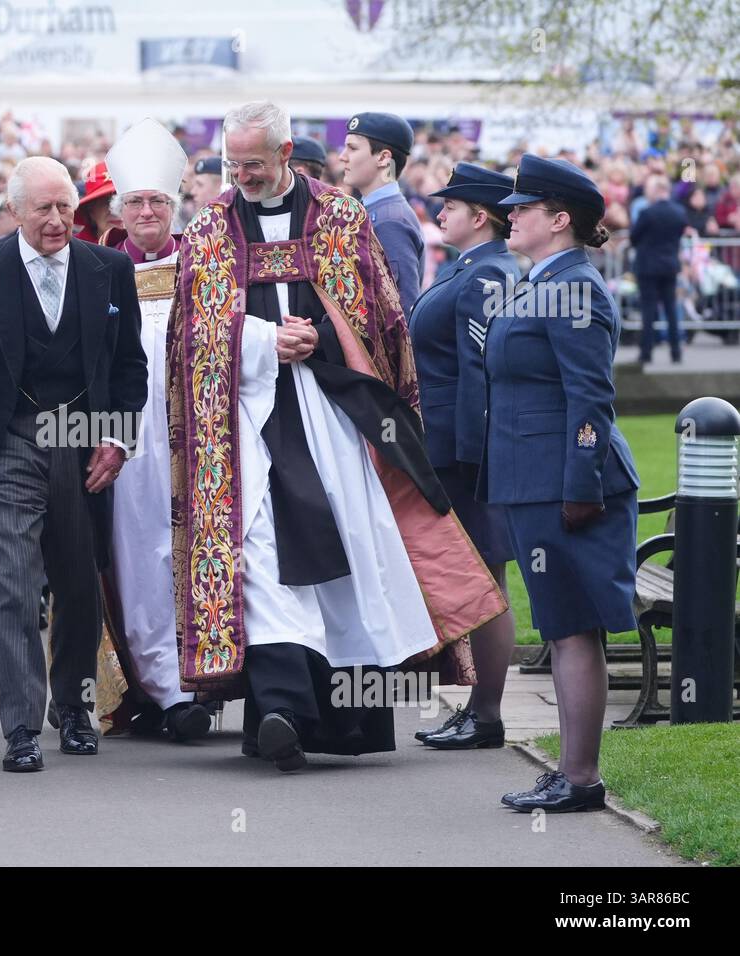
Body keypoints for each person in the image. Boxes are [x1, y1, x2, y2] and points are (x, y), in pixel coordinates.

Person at [169, 101, 504, 772]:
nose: (242, 176)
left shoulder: (340, 218)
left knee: (347, 558)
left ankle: (342, 725)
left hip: (333, 416)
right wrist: (263, 341)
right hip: (243, 428)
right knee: (259, 560)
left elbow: (384, 320)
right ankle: (281, 711)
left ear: (287, 151)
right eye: (233, 165)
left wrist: (323, 337)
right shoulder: (208, 229)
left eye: (254, 164)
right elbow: (190, 336)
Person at [0, 156, 148, 773]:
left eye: (66, 207)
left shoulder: (108, 269)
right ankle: (21, 729)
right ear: (14, 211)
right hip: (9, 442)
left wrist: (118, 440)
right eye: (44, 209)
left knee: (81, 585)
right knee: (17, 587)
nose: (58, 220)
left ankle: (76, 711)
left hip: (85, 438)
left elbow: (130, 367)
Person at [488, 155, 640, 812]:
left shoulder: (572, 288)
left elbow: (591, 397)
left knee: (572, 627)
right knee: (562, 626)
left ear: (559, 220)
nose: (509, 215)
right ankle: (572, 772)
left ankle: (580, 778)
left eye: (522, 208)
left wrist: (581, 485)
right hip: (537, 480)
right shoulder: (546, 282)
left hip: (563, 484)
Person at [97, 117, 210, 741]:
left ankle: (200, 681)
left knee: (196, 554)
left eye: (157, 201)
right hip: (128, 441)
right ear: (120, 208)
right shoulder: (100, 270)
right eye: (136, 201)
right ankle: (157, 686)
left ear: (174, 206)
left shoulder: (203, 265)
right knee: (137, 557)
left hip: (198, 433)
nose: (147, 211)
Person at [407, 163, 521, 750]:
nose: (439, 212)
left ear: (480, 216)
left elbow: (481, 374)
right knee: (477, 577)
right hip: (453, 448)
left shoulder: (487, 274)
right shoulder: (470, 268)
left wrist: (474, 462)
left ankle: (487, 714)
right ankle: (478, 707)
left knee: (485, 579)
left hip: (466, 454)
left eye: (449, 205)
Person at [339, 112, 425, 318]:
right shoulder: (376, 210)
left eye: (352, 148)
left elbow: (399, 309)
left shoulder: (390, 220)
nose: (343, 156)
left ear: (383, 158)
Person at [630, 174, 688, 365]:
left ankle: (646, 352)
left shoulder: (648, 212)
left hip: (648, 267)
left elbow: (634, 238)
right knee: (671, 309)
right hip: (670, 265)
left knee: (648, 311)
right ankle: (676, 352)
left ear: (656, 190)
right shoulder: (679, 212)